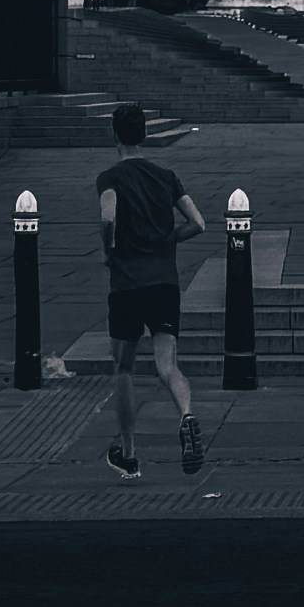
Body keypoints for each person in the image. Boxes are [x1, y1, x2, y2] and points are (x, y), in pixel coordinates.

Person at [96, 102, 206, 478]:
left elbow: (108, 216)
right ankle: (188, 416)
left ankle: (128, 454)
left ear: (115, 136)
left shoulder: (110, 177)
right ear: (144, 134)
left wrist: (109, 250)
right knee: (168, 366)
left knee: (124, 369)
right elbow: (198, 223)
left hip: (127, 284)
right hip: (164, 283)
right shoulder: (166, 175)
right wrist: (166, 240)